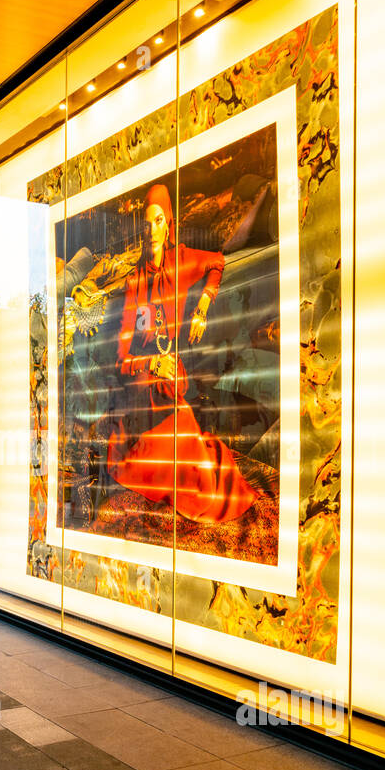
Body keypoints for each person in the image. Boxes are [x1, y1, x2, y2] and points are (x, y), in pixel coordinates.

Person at [108, 182, 257, 523]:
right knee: (177, 439)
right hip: (143, 380)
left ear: (168, 224)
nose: (151, 231)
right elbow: (121, 360)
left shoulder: (182, 260)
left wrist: (203, 306)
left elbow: (217, 263)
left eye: (158, 221)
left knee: (199, 459)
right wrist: (151, 362)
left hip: (169, 374)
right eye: (146, 225)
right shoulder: (134, 284)